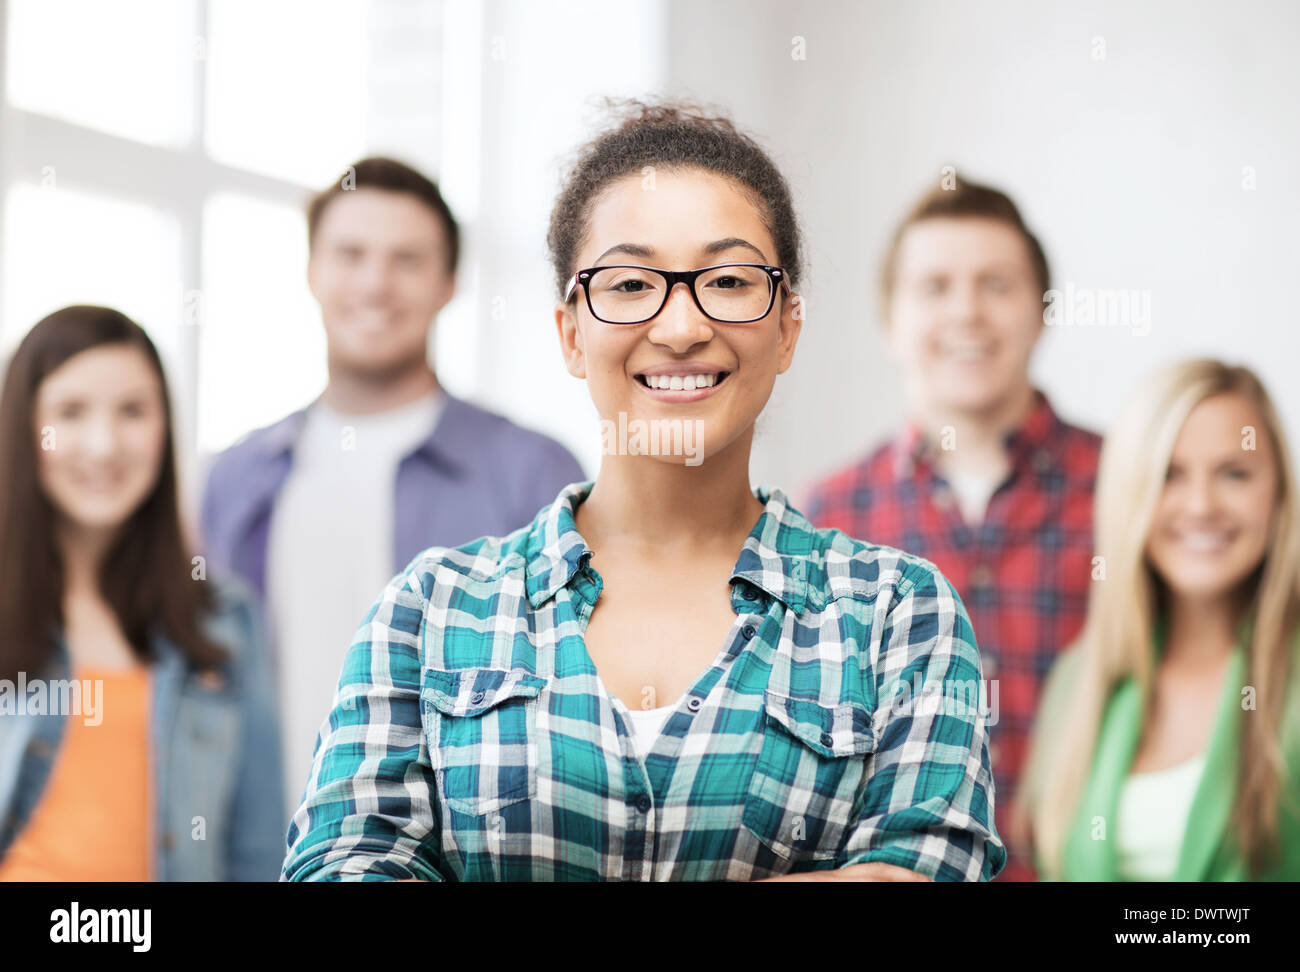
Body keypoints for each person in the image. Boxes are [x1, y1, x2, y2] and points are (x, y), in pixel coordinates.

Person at [282, 102, 1004, 882]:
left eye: (728, 280)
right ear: (570, 333)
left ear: (788, 326)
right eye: (630, 283)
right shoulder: (428, 613)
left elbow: (929, 866)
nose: (682, 324)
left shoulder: (898, 614)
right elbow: (345, 864)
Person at [200, 157, 585, 814]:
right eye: (350, 253)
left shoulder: (534, 473)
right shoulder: (236, 477)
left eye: (407, 259)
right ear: (312, 272)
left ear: (448, 284)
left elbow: (578, 703)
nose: (375, 283)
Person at [801, 179, 1101, 881]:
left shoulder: (1130, 491)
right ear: (889, 320)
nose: (966, 311)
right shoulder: (828, 518)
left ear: (1042, 311)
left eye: (996, 284)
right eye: (935, 286)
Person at [0, 305, 283, 881]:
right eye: (70, 412)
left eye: (133, 411)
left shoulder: (224, 621)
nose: (104, 446)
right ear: (24, 425)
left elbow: (257, 851)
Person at [1015, 359, 1300, 881]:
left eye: (1234, 474)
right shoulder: (1079, 681)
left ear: (1278, 494)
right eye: (1170, 474)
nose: (1200, 505)